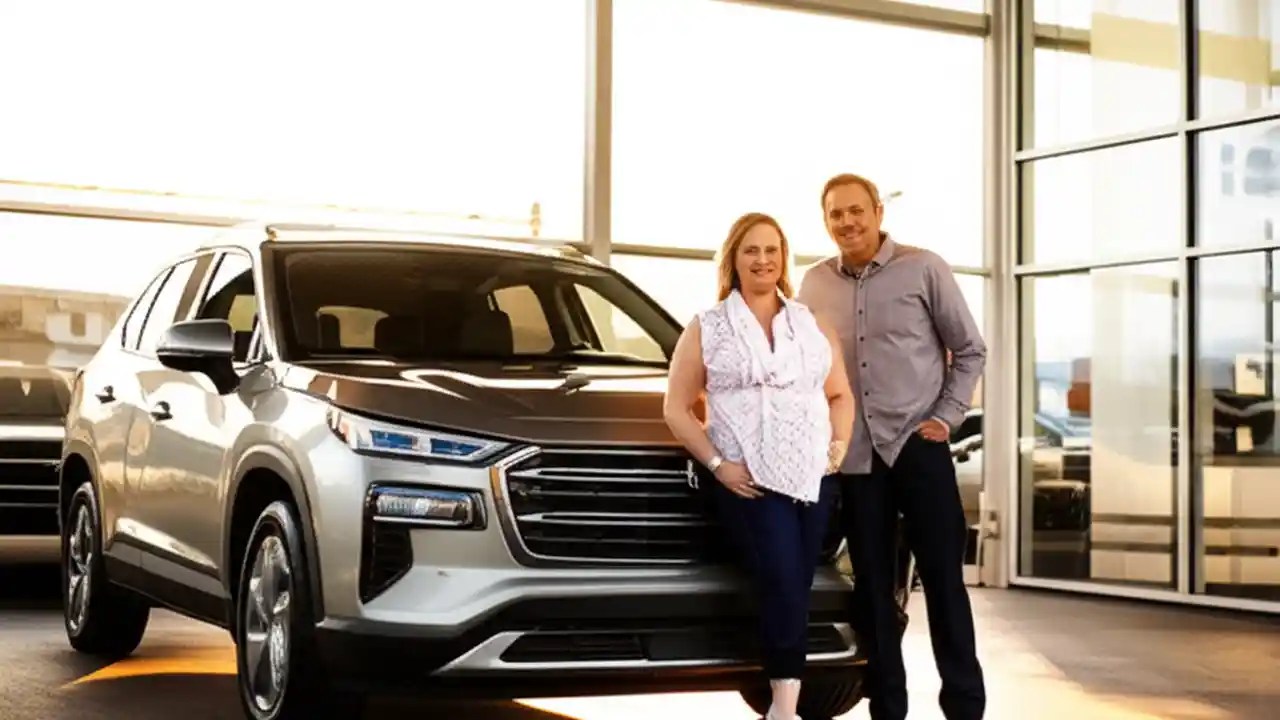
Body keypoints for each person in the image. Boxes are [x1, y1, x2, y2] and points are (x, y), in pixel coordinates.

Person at [797, 173, 987, 720]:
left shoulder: (924, 268)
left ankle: (965, 707)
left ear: (878, 211)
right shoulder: (814, 286)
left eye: (856, 211)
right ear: (826, 220)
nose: (847, 222)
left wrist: (946, 417)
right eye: (836, 214)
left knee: (945, 584)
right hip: (856, 459)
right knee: (872, 591)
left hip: (917, 449)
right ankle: (887, 706)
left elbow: (970, 350)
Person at [663, 212, 855, 720]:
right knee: (781, 577)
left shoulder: (810, 324)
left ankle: (781, 702)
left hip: (813, 477)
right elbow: (676, 408)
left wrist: (837, 449)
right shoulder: (708, 326)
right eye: (752, 250)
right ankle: (785, 707)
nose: (763, 259)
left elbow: (839, 395)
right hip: (747, 481)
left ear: (783, 258)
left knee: (794, 581)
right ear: (734, 258)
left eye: (772, 250)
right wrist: (717, 463)